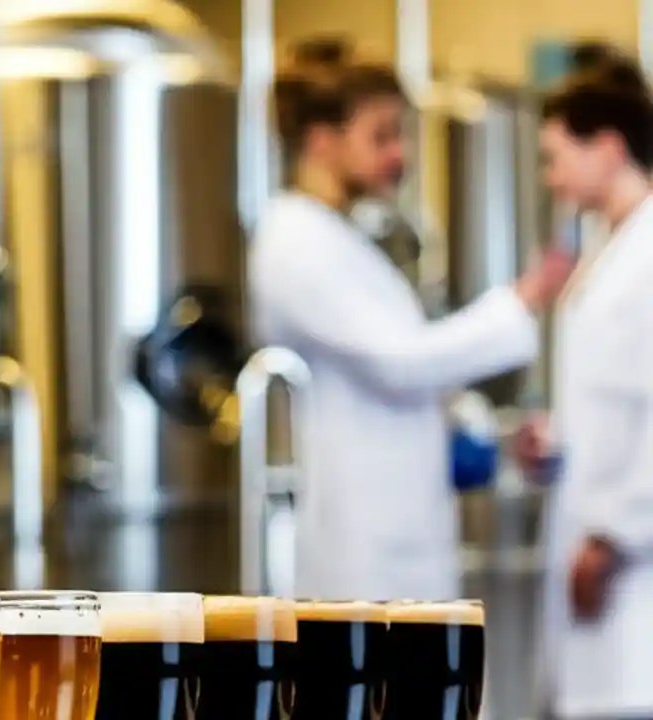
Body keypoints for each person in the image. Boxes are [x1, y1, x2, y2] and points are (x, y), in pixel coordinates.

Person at [248, 50, 574, 601]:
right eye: (381, 137)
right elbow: (400, 364)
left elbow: (414, 379)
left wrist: (487, 436)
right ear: (320, 139)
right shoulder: (294, 242)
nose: (400, 156)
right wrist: (521, 300)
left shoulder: (343, 238)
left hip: (399, 531)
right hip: (359, 544)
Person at [517, 53, 653, 719]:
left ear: (607, 145)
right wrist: (555, 439)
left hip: (633, 559)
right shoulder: (606, 245)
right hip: (593, 539)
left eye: (557, 156)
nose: (552, 177)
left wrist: (612, 535)